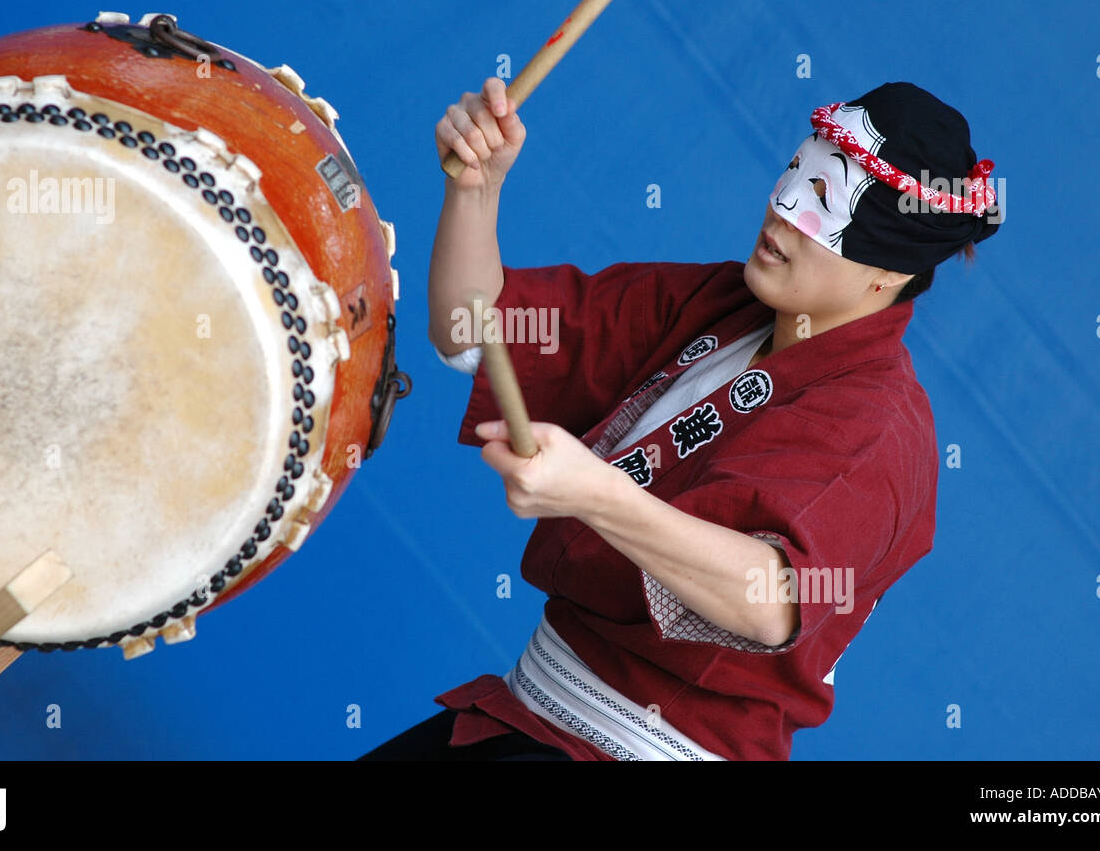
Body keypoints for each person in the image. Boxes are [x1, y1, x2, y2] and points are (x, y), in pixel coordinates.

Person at [359, 77, 1001, 761]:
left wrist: (599, 494)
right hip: (527, 715)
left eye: (821, 197)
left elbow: (771, 598)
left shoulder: (881, 430)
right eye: (794, 170)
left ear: (889, 271)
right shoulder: (718, 306)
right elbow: (469, 327)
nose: (781, 206)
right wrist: (475, 192)